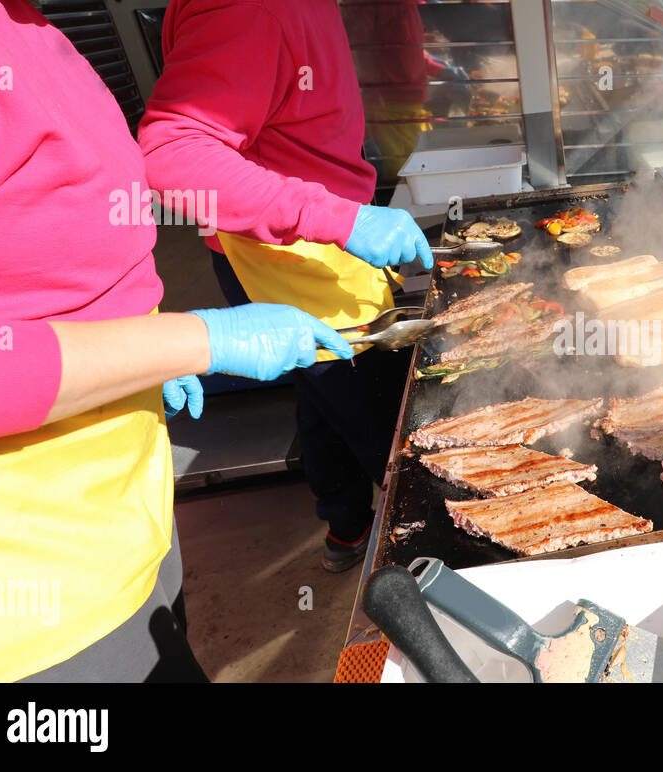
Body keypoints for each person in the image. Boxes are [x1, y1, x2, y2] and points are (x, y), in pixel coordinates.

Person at [0, 0, 356, 682]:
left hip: (123, 520)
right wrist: (190, 339)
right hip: (20, 597)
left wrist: (137, 342)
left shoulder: (26, 22)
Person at [139, 0, 436, 574]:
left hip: (274, 239)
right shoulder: (255, 6)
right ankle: (422, 568)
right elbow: (171, 154)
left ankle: (347, 525)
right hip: (304, 251)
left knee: (318, 386)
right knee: (391, 428)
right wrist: (342, 219)